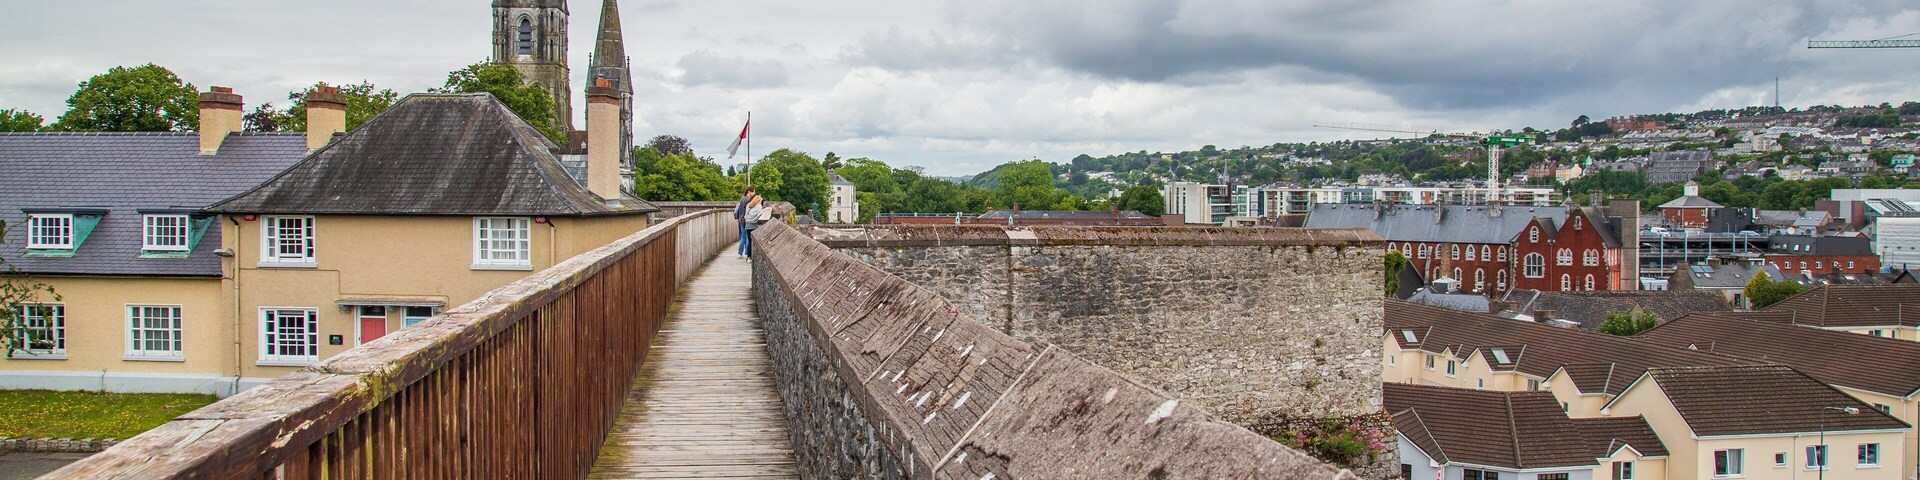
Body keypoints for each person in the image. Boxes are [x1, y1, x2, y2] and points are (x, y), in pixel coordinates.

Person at [733, 186, 756, 256]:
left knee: (742, 237)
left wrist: (737, 217)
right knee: (747, 237)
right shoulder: (748, 199)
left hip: (740, 219)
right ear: (749, 191)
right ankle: (747, 253)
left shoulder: (742, 198)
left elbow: (737, 209)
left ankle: (740, 252)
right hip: (745, 220)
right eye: (753, 191)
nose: (754, 193)